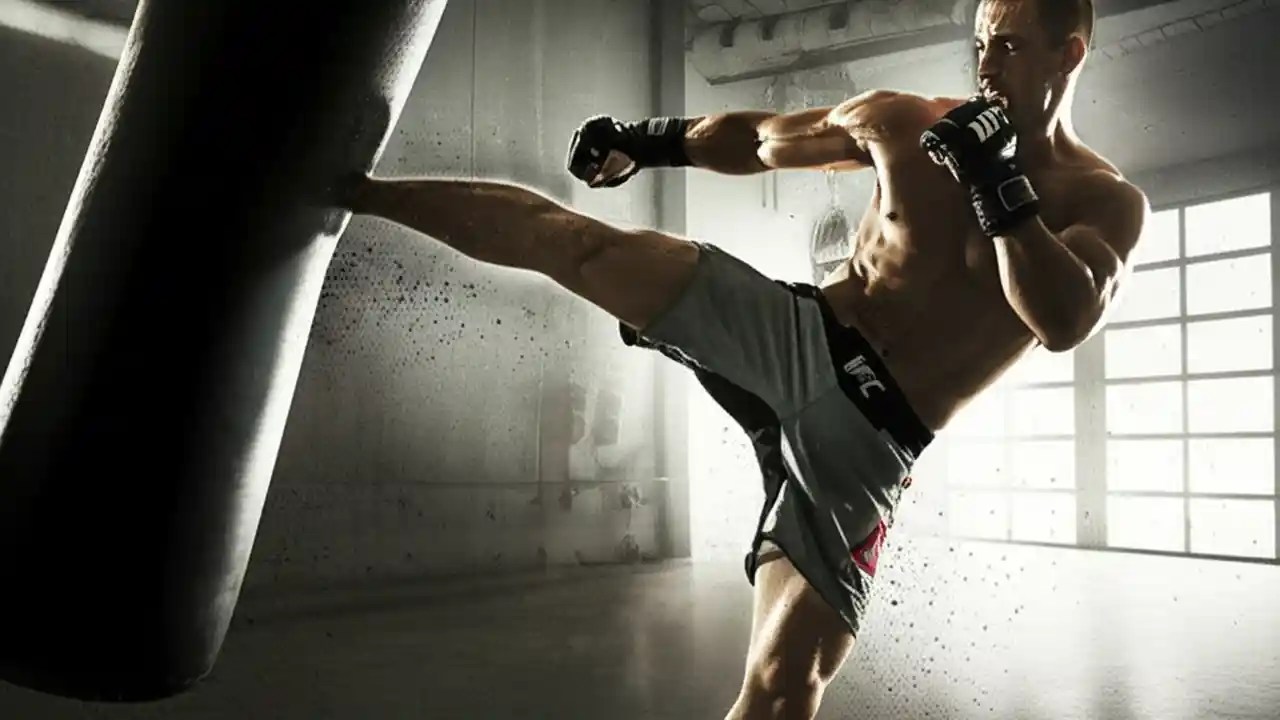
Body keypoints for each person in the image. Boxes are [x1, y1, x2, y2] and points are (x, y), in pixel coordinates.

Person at [343, 0, 1148, 716]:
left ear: (1068, 53)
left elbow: (1063, 317)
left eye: (1007, 44)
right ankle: (353, 191)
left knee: (782, 692)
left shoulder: (1104, 200)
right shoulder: (905, 123)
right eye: (979, 42)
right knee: (579, 244)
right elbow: (762, 139)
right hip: (794, 336)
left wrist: (997, 182)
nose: (985, 62)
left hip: (869, 449)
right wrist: (642, 143)